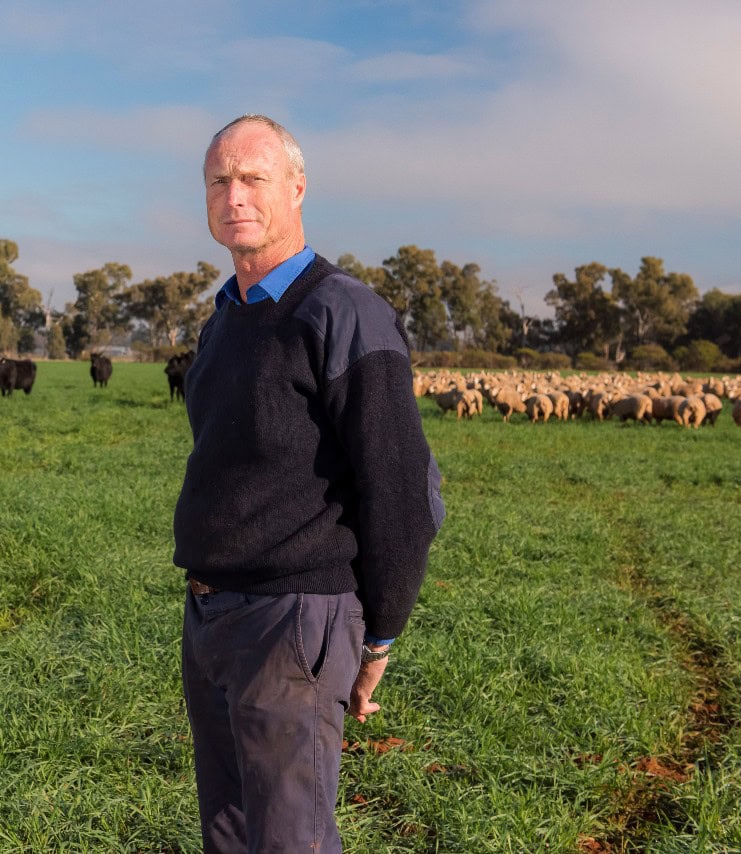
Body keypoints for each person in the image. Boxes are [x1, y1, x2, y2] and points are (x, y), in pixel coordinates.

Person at [173, 115, 445, 852]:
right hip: (212, 611)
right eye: (218, 181)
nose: (235, 196)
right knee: (227, 832)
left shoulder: (343, 312)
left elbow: (401, 489)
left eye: (254, 178)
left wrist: (378, 637)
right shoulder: (227, 318)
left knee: (290, 838)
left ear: (297, 187)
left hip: (295, 619)